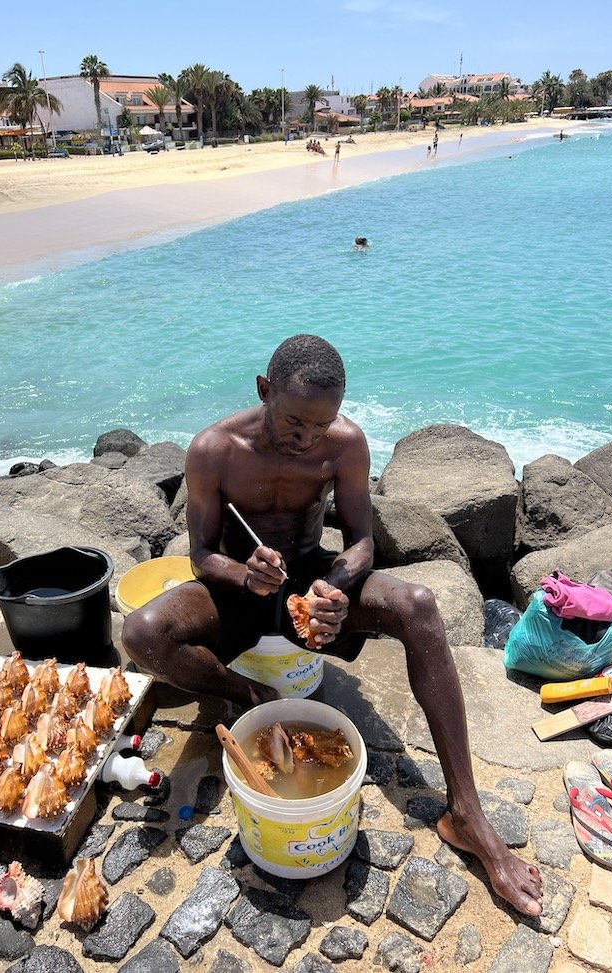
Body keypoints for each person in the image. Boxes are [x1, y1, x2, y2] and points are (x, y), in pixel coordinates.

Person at [122, 334, 544, 918]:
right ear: (264, 391)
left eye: (320, 426)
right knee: (142, 634)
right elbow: (199, 553)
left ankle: (466, 811)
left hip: (314, 582)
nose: (307, 439)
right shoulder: (213, 449)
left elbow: (362, 541)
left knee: (418, 605)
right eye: (295, 422)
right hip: (239, 588)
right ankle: (248, 696)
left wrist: (336, 590)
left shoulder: (343, 444)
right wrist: (243, 575)